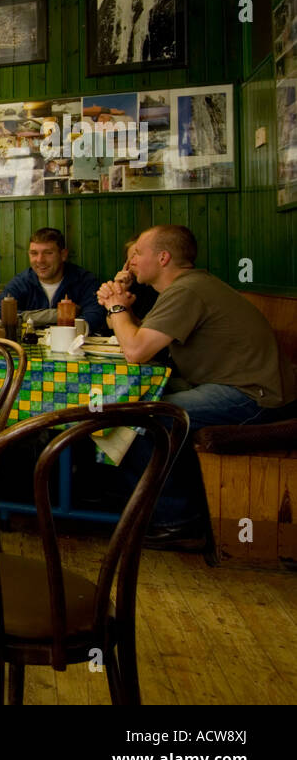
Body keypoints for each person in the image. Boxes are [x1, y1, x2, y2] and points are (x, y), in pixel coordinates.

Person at [96, 225, 297, 539]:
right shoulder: (185, 288)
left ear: (163, 258)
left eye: (137, 253)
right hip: (232, 386)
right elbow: (138, 341)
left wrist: (116, 305)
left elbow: (135, 351)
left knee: (144, 415)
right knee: (121, 403)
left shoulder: (186, 291)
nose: (130, 261)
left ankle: (175, 518)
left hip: (254, 396)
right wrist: (119, 304)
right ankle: (135, 499)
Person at [0, 227, 105, 332]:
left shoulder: (85, 280)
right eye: (34, 253)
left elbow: (94, 318)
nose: (40, 260)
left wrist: (29, 320)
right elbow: (0, 316)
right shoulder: (20, 282)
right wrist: (59, 314)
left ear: (63, 255)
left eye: (48, 253)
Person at [114, 236, 158, 320]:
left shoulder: (160, 288)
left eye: (138, 256)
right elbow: (110, 324)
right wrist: (120, 290)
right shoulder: (131, 284)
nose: (134, 262)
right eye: (130, 259)